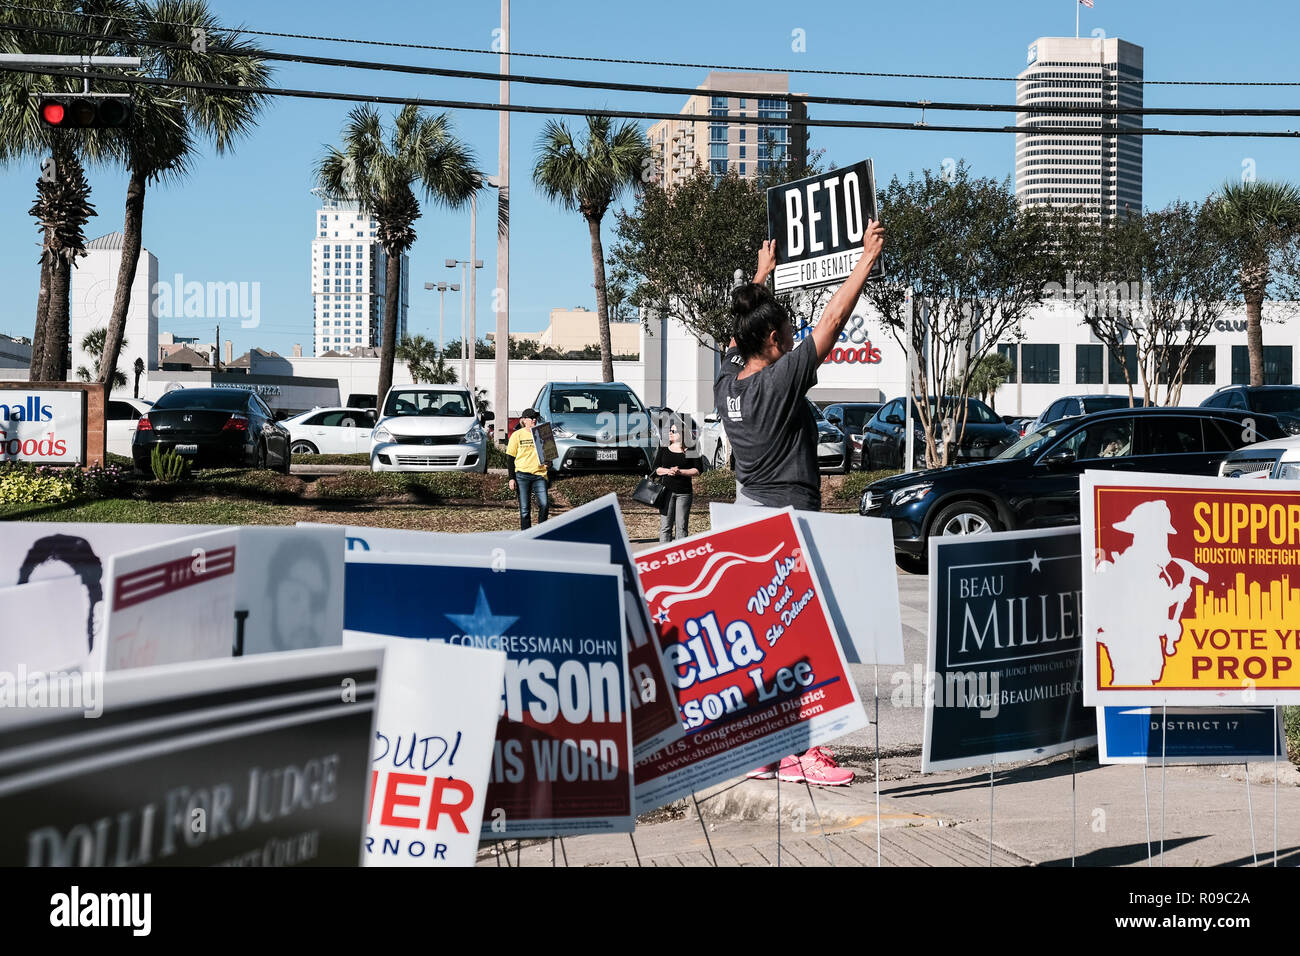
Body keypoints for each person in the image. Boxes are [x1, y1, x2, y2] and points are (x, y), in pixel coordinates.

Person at [720, 219, 886, 786]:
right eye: (786, 334)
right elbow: (834, 320)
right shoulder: (780, 381)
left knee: (767, 638)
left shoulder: (729, 386)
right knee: (805, 638)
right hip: (787, 519)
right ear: (772, 344)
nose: (793, 340)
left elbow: (735, 337)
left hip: (746, 516)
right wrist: (864, 260)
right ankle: (806, 753)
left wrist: (762, 276)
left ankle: (765, 753)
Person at [652, 417, 702, 542]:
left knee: (682, 528)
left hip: (684, 493)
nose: (670, 433)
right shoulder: (664, 447)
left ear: (682, 434)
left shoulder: (691, 448)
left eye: (673, 431)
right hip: (666, 492)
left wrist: (680, 472)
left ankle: (680, 555)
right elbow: (656, 469)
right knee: (665, 527)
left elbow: (697, 470)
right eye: (670, 430)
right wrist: (669, 471)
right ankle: (664, 557)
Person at [507, 407, 550, 530]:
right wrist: (511, 478)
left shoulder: (543, 433)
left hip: (540, 475)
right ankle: (526, 535)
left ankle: (541, 532)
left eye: (535, 418)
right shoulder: (517, 435)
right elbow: (510, 457)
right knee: (525, 510)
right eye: (531, 418)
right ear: (524, 420)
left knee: (545, 504)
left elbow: (549, 457)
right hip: (522, 475)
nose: (534, 420)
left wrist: (548, 463)